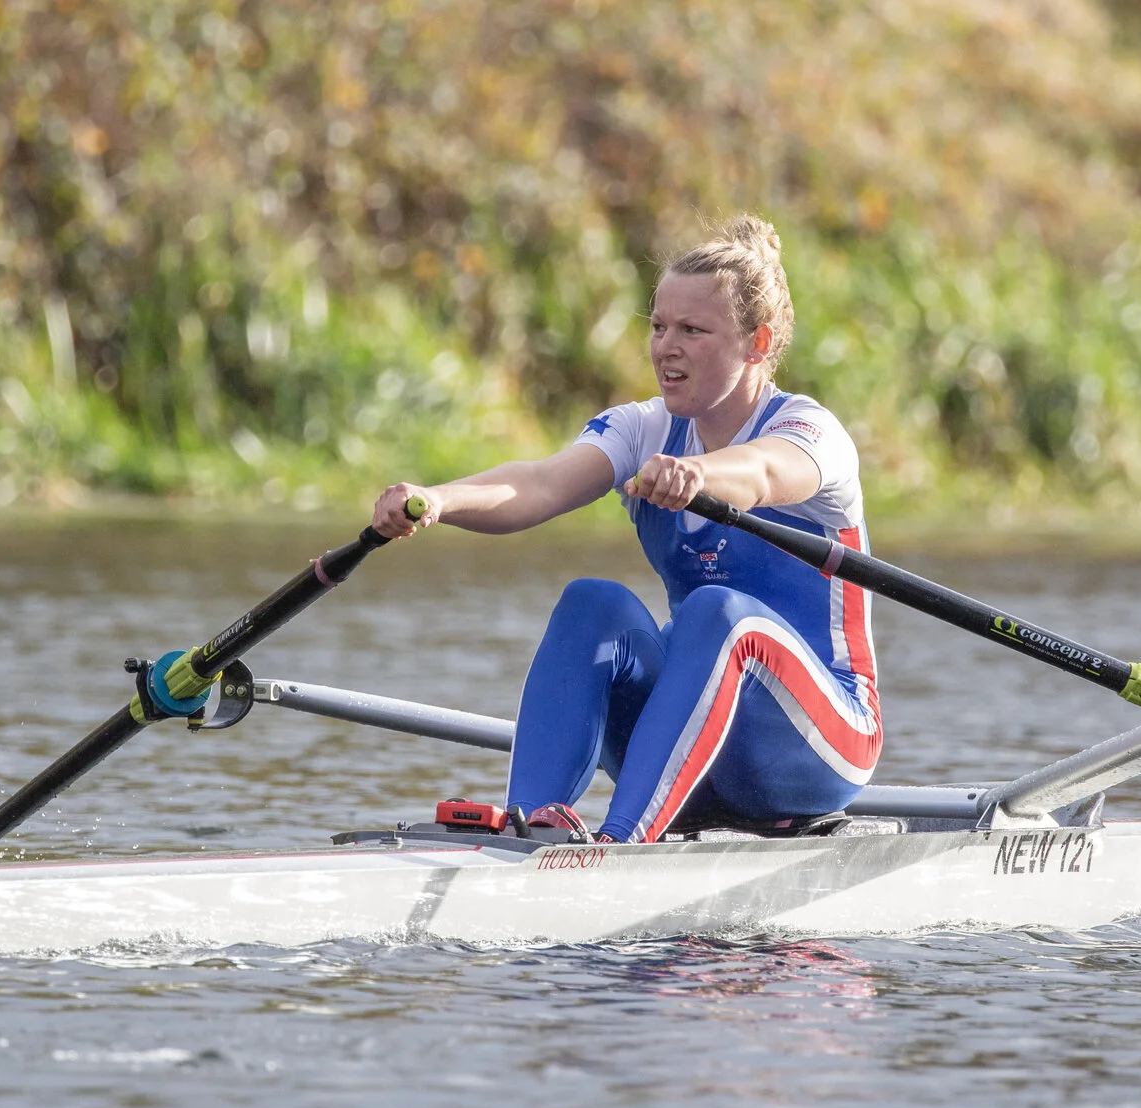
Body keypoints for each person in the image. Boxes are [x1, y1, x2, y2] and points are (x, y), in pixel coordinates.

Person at [370, 215, 879, 844]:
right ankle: (528, 821)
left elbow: (764, 473)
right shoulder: (643, 429)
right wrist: (437, 498)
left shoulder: (811, 432)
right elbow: (540, 484)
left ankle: (621, 843)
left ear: (756, 342)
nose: (666, 346)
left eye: (693, 330)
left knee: (717, 614)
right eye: (659, 326)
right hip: (699, 753)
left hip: (819, 745)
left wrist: (699, 473)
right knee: (593, 601)